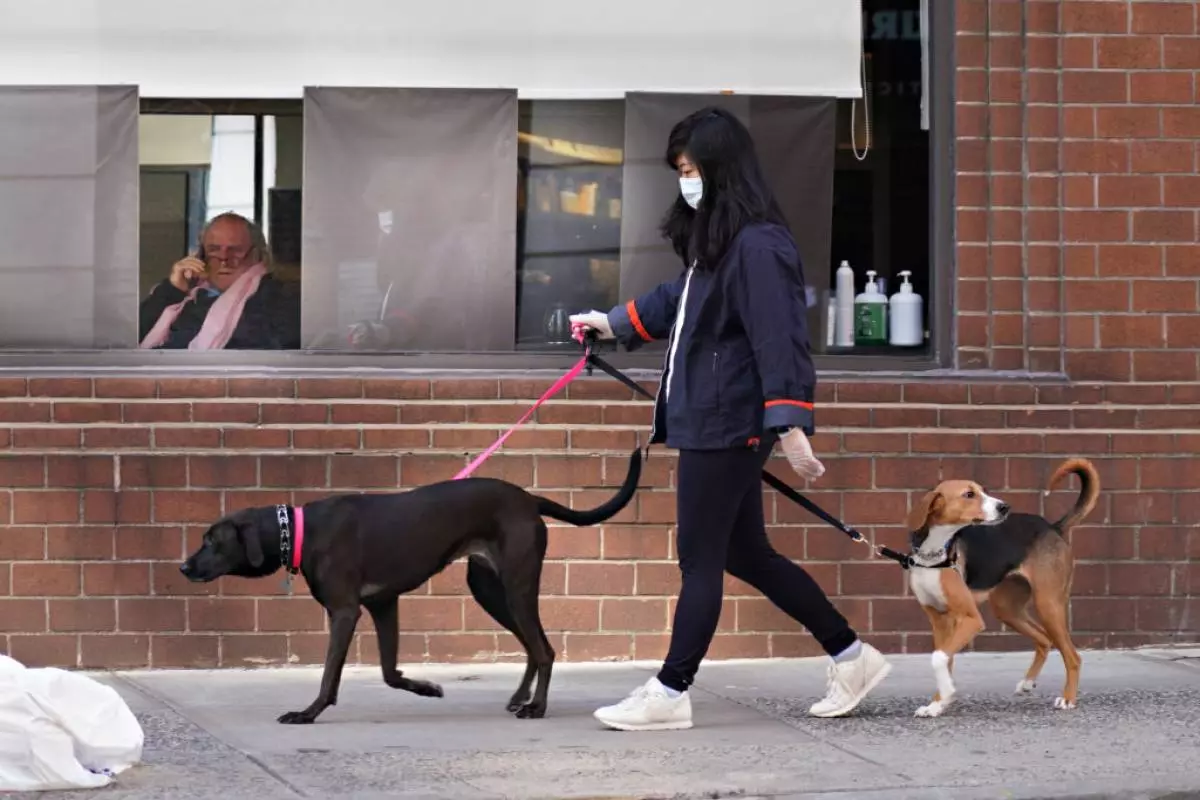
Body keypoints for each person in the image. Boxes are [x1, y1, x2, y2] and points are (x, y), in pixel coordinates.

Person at [570, 107, 892, 732]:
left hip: (728, 423)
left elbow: (781, 337)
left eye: (691, 169)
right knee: (746, 554)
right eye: (680, 170)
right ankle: (852, 656)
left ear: (721, 168)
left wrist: (790, 423)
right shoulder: (721, 243)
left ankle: (670, 691)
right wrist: (610, 323)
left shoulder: (759, 246)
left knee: (699, 558)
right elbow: (679, 302)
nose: (684, 180)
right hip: (718, 419)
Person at [139, 212, 300, 350]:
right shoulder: (187, 296)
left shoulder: (278, 299)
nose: (224, 259)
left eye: (235, 251)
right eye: (214, 250)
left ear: (257, 254)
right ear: (200, 255)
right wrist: (173, 289)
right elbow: (132, 340)